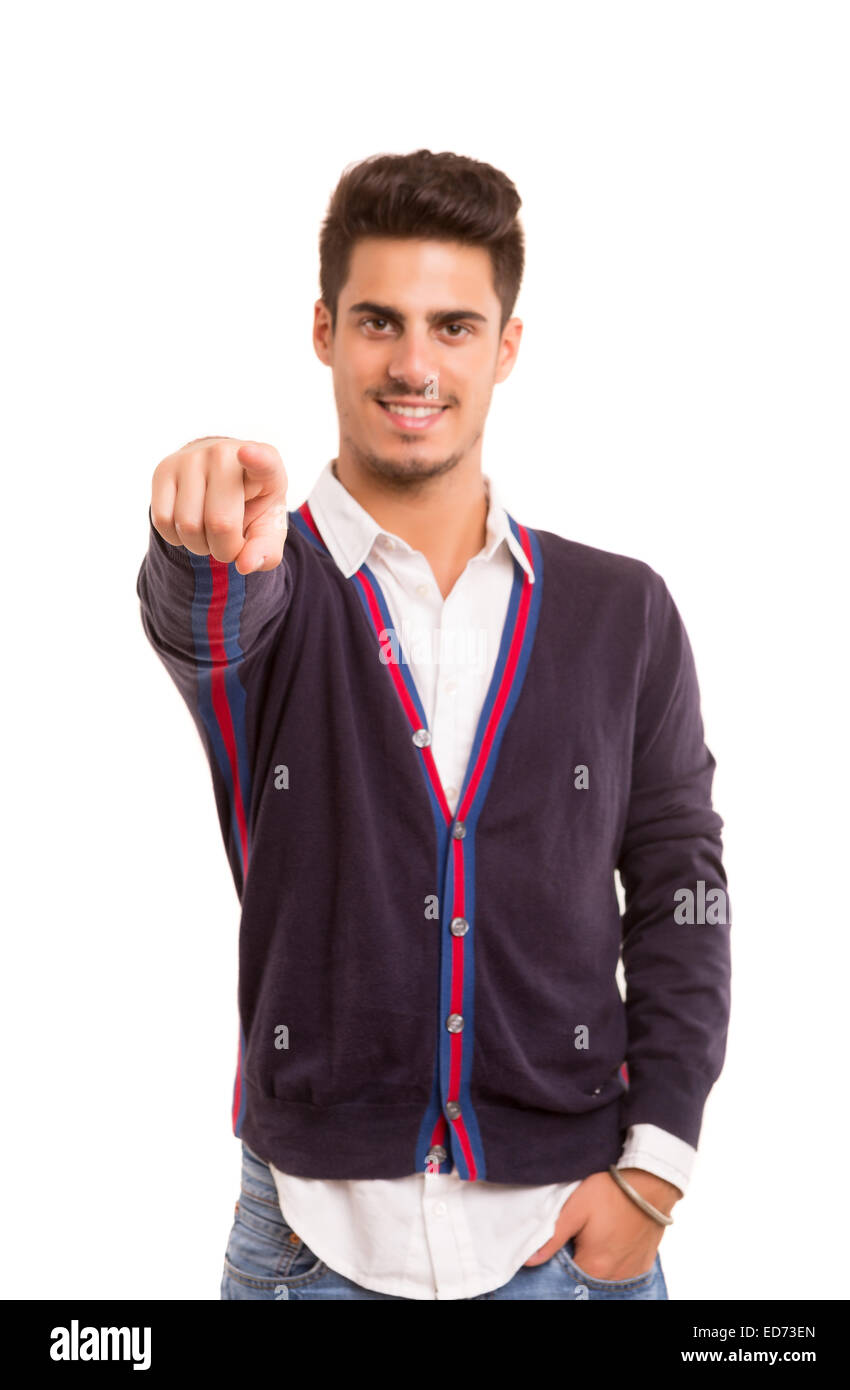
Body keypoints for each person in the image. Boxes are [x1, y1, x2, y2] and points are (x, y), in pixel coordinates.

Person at [136, 148, 731, 1301]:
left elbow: (680, 891)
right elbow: (203, 621)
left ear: (506, 346)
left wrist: (652, 1172)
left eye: (453, 326)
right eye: (378, 321)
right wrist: (199, 541)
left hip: (566, 1241)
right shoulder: (274, 584)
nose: (414, 364)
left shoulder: (623, 612)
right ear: (323, 331)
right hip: (309, 1246)